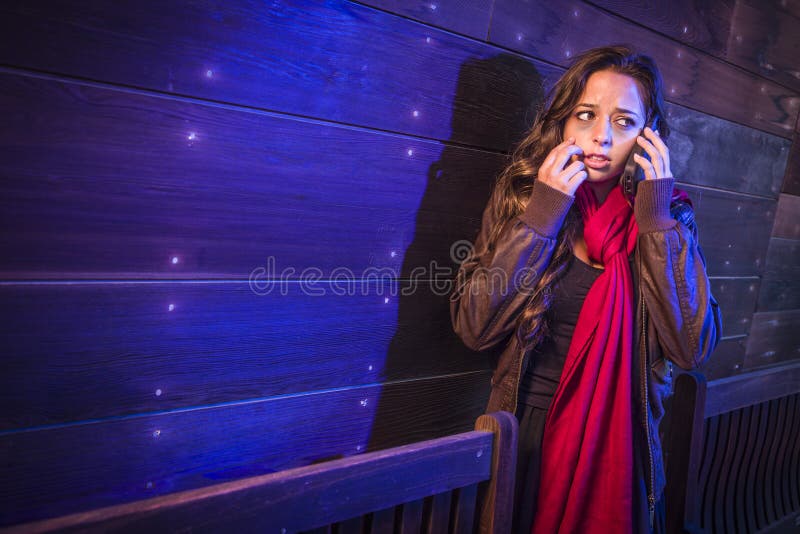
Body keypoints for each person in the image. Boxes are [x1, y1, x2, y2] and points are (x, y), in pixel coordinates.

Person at [449, 45, 722, 533]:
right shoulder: (523, 196)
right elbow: (475, 326)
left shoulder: (669, 217)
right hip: (524, 435)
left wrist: (657, 221)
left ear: (647, 136)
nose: (600, 136)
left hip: (620, 443)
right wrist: (542, 216)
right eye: (586, 115)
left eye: (623, 121)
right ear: (564, 122)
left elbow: (691, 348)